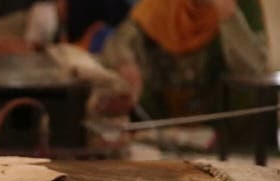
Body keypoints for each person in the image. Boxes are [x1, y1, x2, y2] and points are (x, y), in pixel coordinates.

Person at [99, 0, 266, 118]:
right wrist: (124, 63)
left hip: (226, 135)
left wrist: (229, 17)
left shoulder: (244, 4)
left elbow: (253, 69)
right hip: (161, 131)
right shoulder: (161, 5)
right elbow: (118, 44)